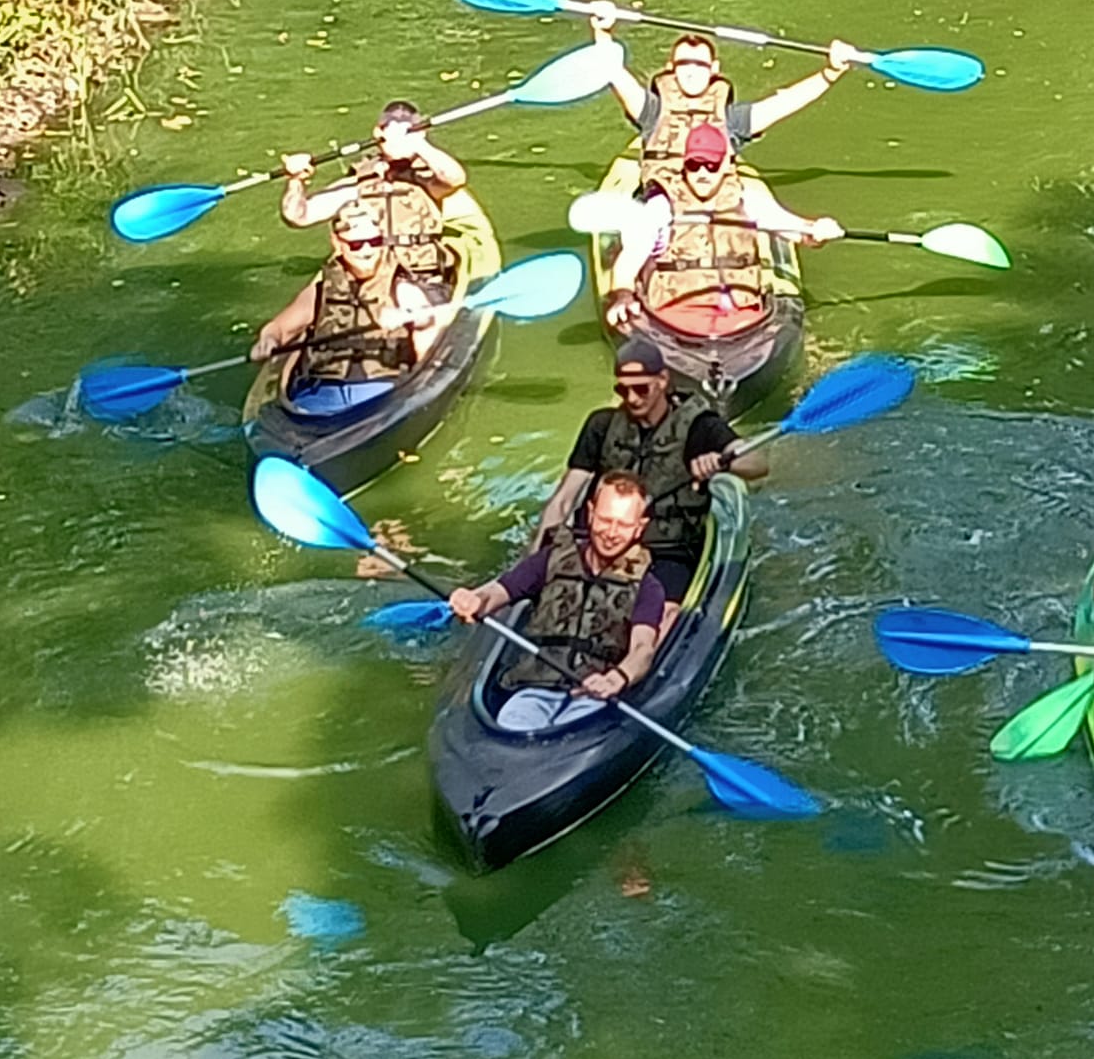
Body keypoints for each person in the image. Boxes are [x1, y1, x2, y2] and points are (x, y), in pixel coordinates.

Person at [533, 340, 768, 625]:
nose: (632, 398)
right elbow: (563, 499)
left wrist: (724, 460)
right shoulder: (601, 425)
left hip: (666, 553)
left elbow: (758, 464)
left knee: (661, 617)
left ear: (662, 380)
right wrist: (536, 559)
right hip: (600, 544)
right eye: (623, 390)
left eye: (641, 388)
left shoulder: (700, 426)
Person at [448, 471, 667, 733]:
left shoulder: (648, 587)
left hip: (596, 696)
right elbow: (498, 592)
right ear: (590, 513)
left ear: (639, 527)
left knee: (578, 728)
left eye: (623, 525)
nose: (611, 533)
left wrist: (618, 677)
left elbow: (643, 649)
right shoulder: (550, 559)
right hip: (535, 687)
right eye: (605, 520)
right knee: (513, 726)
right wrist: (475, 599)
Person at [583, 1, 860, 193]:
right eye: (684, 64)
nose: (692, 72)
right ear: (671, 68)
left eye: (700, 65)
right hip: (663, 210)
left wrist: (831, 72)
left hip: (717, 210)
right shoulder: (652, 111)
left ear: (714, 69)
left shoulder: (731, 119)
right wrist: (602, 30)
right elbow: (612, 70)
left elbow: (785, 103)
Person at [602, 123, 842, 333]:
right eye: (694, 165)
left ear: (725, 165)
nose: (702, 173)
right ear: (685, 166)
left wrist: (819, 231)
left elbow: (801, 233)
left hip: (741, 319)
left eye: (711, 165)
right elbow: (628, 261)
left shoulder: (747, 201)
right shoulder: (660, 209)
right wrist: (623, 296)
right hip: (676, 317)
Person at [249, 204, 450, 415]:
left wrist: (408, 316)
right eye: (356, 244)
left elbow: (430, 321)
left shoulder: (401, 287)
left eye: (374, 242)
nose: (367, 251)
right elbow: (279, 328)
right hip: (320, 391)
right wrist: (268, 340)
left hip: (383, 390)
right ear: (337, 243)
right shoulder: (322, 290)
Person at [279, 101, 469, 288]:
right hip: (371, 279)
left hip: (423, 276)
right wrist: (296, 179)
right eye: (391, 130)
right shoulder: (359, 183)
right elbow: (298, 217)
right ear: (378, 133)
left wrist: (418, 144)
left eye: (408, 130)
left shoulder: (427, 180)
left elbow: (455, 179)